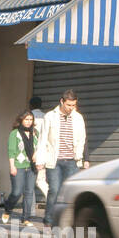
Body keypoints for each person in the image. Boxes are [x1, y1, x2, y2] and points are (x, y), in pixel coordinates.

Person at [36, 89, 89, 226]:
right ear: (62, 101)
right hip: (54, 161)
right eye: (68, 105)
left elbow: (82, 139)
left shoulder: (78, 118)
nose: (71, 108)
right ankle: (48, 220)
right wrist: (40, 160)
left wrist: (82, 158)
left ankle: (65, 222)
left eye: (73, 105)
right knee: (54, 190)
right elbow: (43, 140)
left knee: (70, 193)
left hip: (72, 161)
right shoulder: (50, 117)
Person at [4, 109, 39, 225]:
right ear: (21, 120)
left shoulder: (35, 133)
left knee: (29, 192)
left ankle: (25, 218)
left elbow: (39, 147)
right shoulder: (15, 133)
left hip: (31, 167)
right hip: (18, 166)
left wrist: (37, 155)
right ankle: (8, 209)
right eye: (26, 119)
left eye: (31, 119)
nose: (29, 122)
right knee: (17, 192)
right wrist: (12, 166)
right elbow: (11, 151)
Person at [29, 95, 47, 205]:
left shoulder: (29, 118)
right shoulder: (46, 117)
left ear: (30, 105)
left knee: (33, 181)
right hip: (45, 152)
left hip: (33, 152)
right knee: (40, 179)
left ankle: (30, 210)